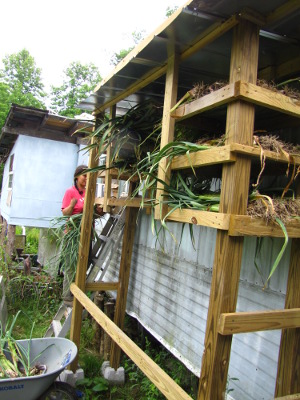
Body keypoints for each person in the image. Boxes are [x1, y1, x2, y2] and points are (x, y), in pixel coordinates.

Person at [61, 165, 103, 307]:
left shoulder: (89, 193)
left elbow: (93, 214)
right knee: (70, 264)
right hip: (73, 235)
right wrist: (72, 205)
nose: (86, 179)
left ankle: (78, 290)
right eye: (84, 176)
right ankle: (67, 297)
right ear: (76, 177)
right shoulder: (70, 192)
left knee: (85, 261)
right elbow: (65, 213)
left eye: (88, 176)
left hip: (87, 234)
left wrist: (99, 211)